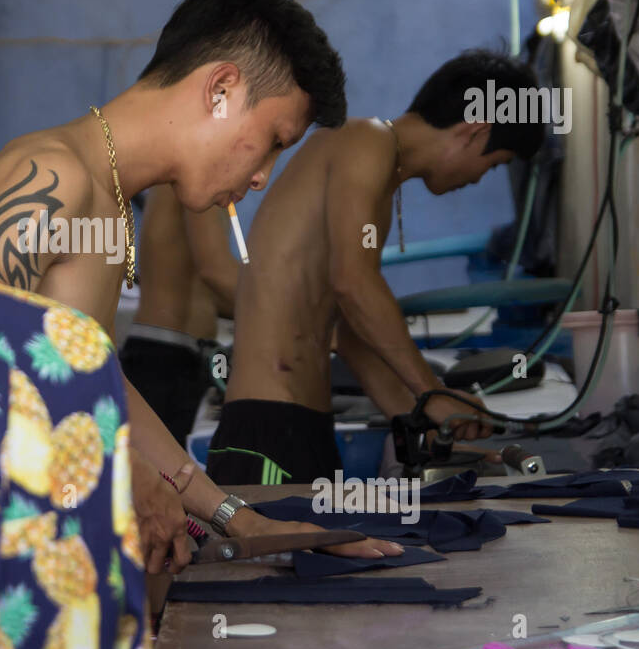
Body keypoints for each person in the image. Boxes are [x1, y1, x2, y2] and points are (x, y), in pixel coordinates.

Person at [0, 0, 405, 570]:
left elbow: (95, 385)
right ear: (221, 88)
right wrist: (122, 470)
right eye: (272, 142)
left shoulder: (108, 198)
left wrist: (239, 517)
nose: (263, 175)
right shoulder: (49, 179)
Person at [208, 49, 546, 486]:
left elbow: (352, 337)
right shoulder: (366, 141)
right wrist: (433, 392)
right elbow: (355, 283)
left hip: (302, 428)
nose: (480, 180)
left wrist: (423, 420)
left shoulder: (379, 178)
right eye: (493, 164)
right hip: (268, 430)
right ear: (475, 132)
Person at [120, 185, 238, 446]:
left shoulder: (186, 184)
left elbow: (210, 291)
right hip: (165, 360)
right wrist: (291, 315)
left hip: (172, 355)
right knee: (171, 481)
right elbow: (217, 272)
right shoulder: (200, 176)